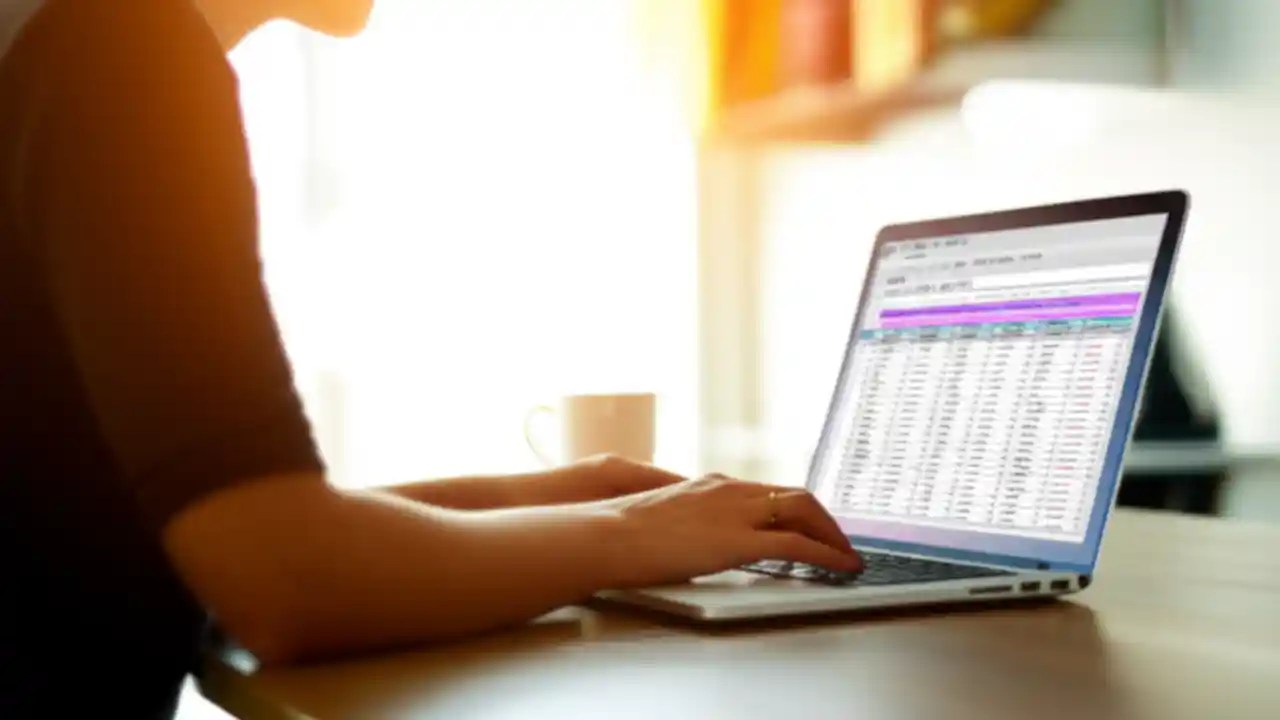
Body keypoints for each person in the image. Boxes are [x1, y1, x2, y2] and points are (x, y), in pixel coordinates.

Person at [0, 0, 861, 716]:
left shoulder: (71, 40)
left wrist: (530, 499)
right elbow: (285, 582)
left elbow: (207, 532)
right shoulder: (123, 53)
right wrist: (630, 534)